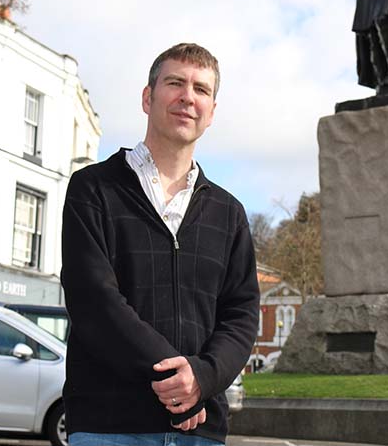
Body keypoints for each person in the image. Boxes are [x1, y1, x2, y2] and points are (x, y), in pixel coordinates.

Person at [61, 43, 260, 446]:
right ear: (148, 98)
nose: (188, 96)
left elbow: (240, 315)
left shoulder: (230, 212)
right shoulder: (93, 189)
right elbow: (94, 301)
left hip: (200, 431)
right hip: (109, 426)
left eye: (201, 89)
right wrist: (177, 383)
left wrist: (202, 379)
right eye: (175, 82)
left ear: (212, 112)